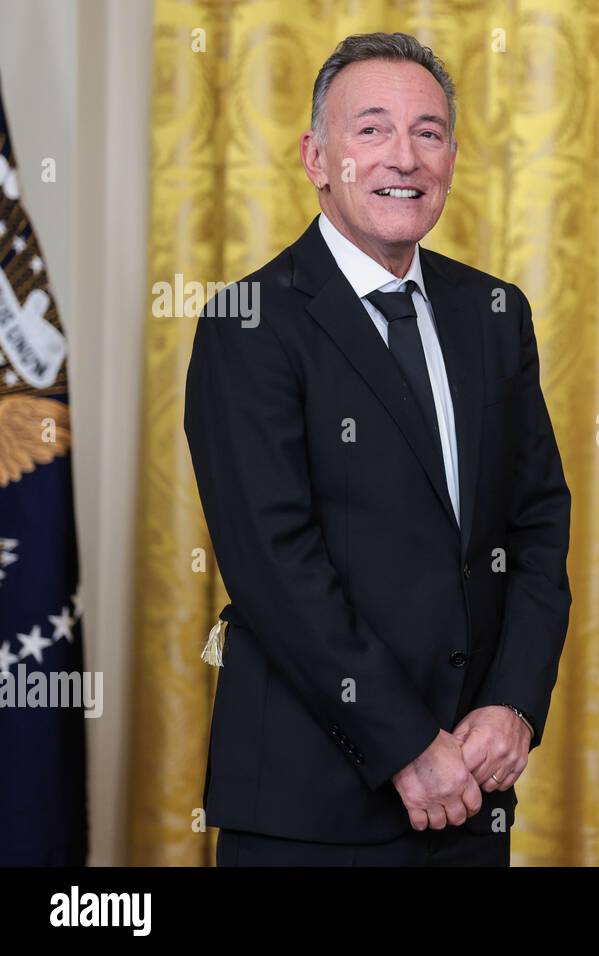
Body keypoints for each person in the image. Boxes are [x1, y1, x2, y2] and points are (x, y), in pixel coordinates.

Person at [184, 32, 571, 866]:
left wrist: (514, 705)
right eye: (372, 129)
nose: (405, 155)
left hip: (472, 789)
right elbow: (275, 566)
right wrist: (403, 744)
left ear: (453, 158)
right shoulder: (249, 323)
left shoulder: (495, 313)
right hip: (310, 806)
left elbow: (538, 524)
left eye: (429, 132)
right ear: (317, 158)